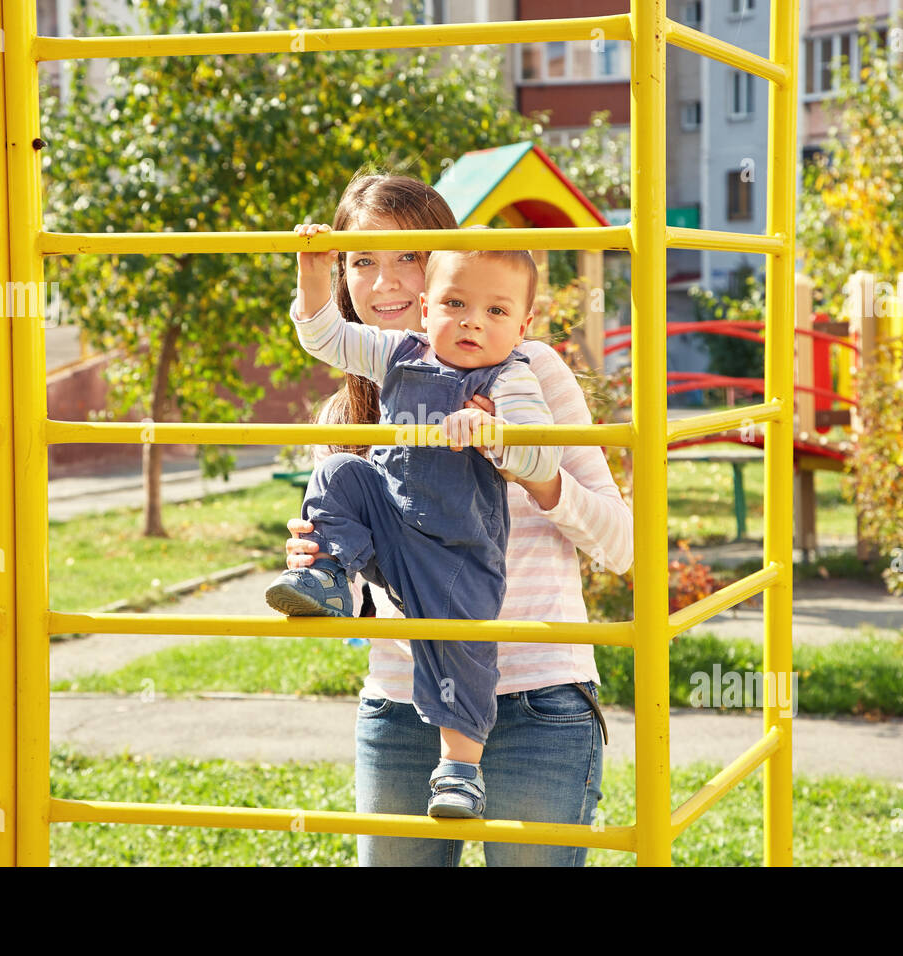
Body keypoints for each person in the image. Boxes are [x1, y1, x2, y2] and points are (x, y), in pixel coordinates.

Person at [282, 172, 633, 865]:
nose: (385, 284)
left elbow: (621, 548)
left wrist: (532, 470)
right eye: (361, 261)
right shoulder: (345, 417)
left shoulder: (526, 373)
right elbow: (368, 607)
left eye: (407, 257)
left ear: (443, 258)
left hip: (539, 698)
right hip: (403, 702)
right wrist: (325, 564)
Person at [266, 243, 557, 819]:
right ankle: (328, 573)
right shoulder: (399, 353)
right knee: (338, 473)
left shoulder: (512, 378)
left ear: (524, 327)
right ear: (425, 310)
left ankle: (459, 771)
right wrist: (312, 271)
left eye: (497, 312)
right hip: (392, 529)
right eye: (455, 303)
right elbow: (326, 338)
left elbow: (544, 459)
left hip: (460, 554)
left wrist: (496, 431)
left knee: (462, 651)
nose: (473, 320)